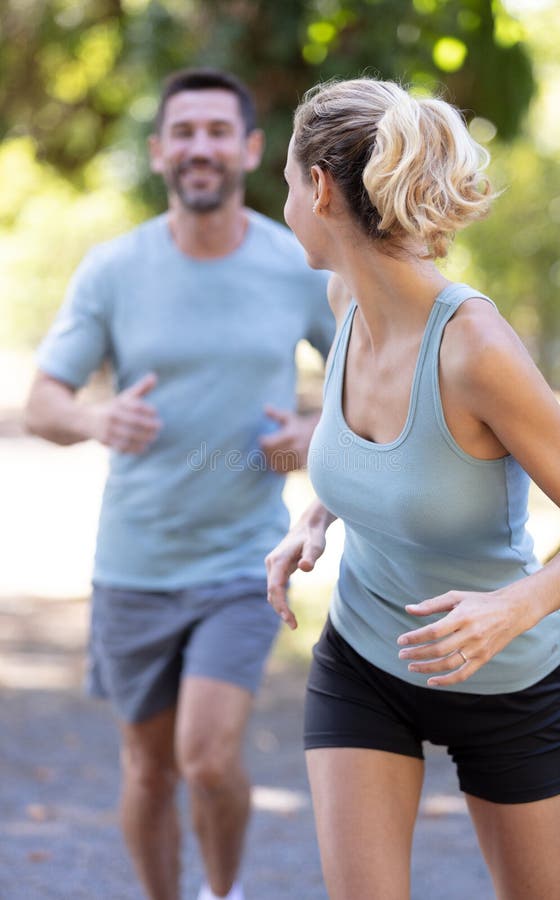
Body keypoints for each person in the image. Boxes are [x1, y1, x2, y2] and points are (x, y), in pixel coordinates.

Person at [265, 76, 560, 900]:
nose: (284, 208)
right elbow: (389, 461)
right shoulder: (346, 302)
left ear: (318, 187)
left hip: (504, 682)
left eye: (284, 185)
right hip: (364, 662)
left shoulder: (474, 349)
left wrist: (515, 606)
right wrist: (318, 513)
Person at [25, 68, 334, 900]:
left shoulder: (295, 262)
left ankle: (222, 892)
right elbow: (42, 401)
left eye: (216, 131)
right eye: (184, 133)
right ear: (161, 151)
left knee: (206, 756)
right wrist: (98, 421)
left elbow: (370, 378)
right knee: (149, 769)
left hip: (240, 562)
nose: (200, 147)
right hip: (133, 563)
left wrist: (315, 434)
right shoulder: (114, 268)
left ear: (251, 149)